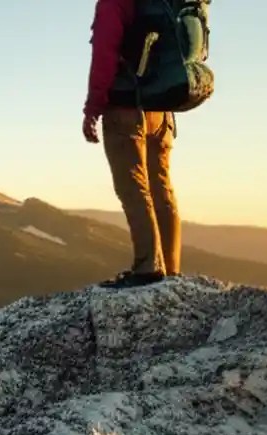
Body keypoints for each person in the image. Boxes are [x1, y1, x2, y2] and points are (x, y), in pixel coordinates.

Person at [82, 0, 182, 289]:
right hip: (161, 111)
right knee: (161, 187)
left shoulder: (114, 3)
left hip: (126, 107)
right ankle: (170, 270)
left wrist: (93, 108)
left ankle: (148, 267)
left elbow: (104, 54)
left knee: (133, 186)